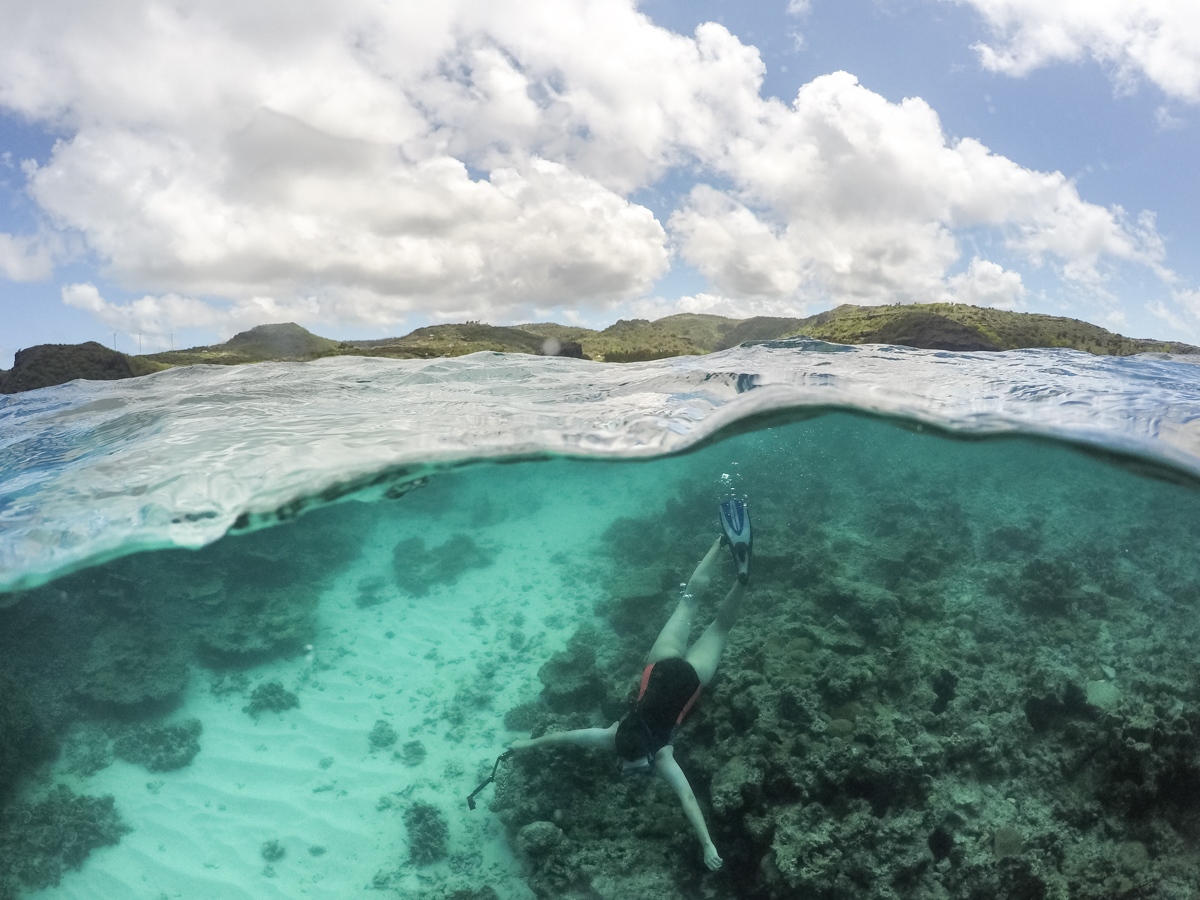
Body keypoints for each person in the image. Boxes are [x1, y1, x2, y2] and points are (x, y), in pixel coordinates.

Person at [508, 499, 752, 872]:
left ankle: (741, 579)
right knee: (688, 602)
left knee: (719, 626)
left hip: (691, 680)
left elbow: (687, 798)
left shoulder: (663, 755)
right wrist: (525, 743)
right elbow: (563, 736)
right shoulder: (611, 735)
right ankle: (721, 543)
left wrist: (707, 844)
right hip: (662, 665)